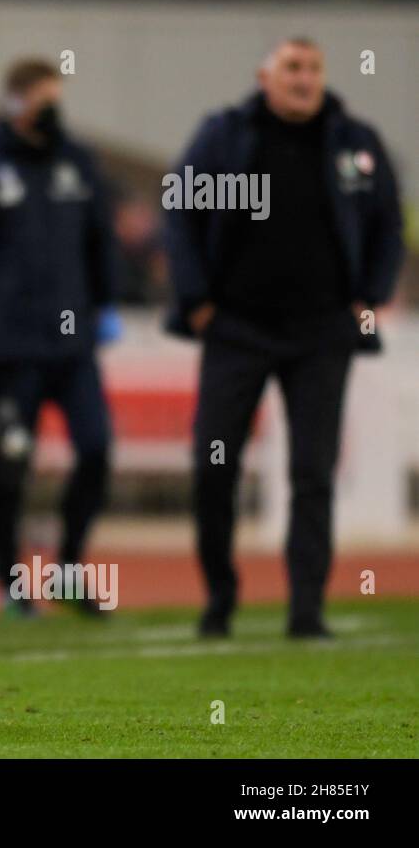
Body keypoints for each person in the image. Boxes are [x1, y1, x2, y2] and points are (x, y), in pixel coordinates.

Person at [164, 37, 404, 638]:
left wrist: (367, 301)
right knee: (214, 466)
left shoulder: (356, 140)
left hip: (323, 330)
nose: (304, 78)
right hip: (236, 327)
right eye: (292, 68)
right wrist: (196, 303)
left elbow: (387, 224)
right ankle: (219, 599)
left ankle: (306, 611)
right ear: (264, 76)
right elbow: (180, 211)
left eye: (313, 68)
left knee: (313, 471)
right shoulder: (224, 135)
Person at [0, 58, 119, 617]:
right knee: (10, 466)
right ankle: (10, 581)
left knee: (95, 448)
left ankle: (68, 566)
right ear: (16, 102)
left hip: (73, 346)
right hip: (9, 345)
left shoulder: (79, 163)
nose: (54, 114)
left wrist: (107, 301)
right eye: (45, 102)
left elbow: (101, 241)